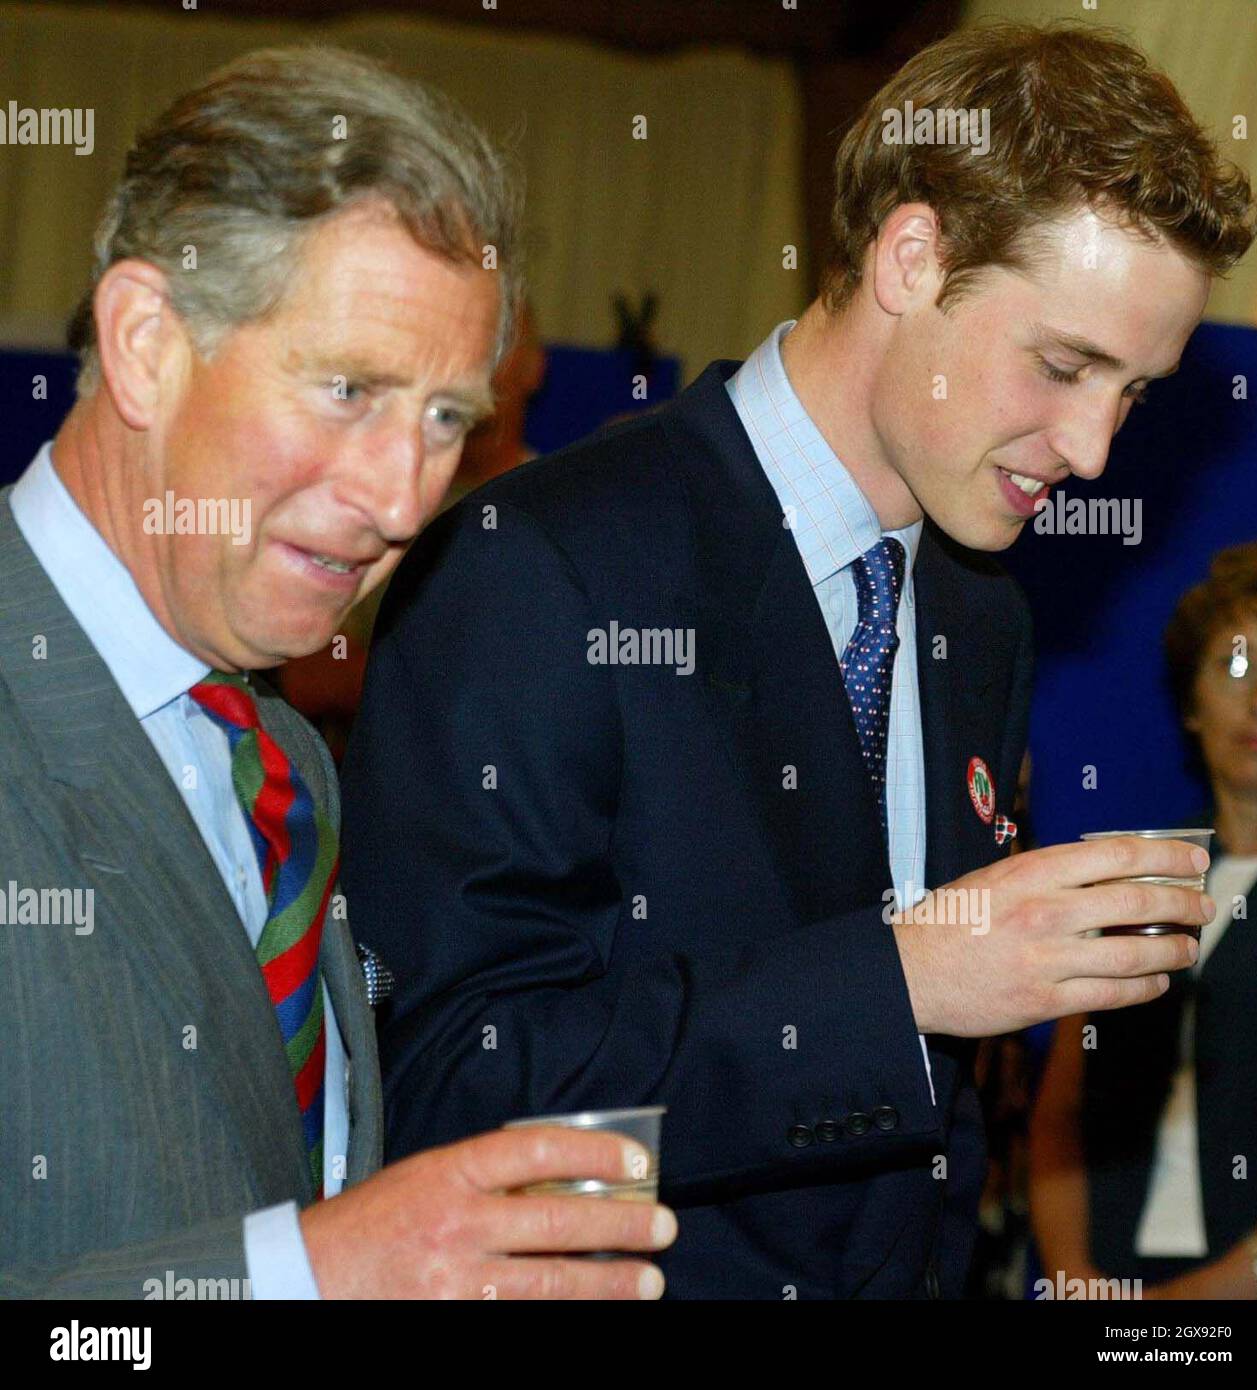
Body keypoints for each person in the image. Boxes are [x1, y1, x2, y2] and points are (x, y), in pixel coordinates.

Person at [341, 23, 1256, 1299]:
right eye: (1062, 365)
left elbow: (924, 1137)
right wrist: (903, 981)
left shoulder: (978, 610)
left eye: (1135, 393)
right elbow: (450, 1082)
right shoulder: (537, 561)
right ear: (910, 254)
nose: (1094, 449)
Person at [0, 46, 675, 1301]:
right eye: (350, 388)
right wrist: (304, 1274)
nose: (402, 498)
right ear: (147, 343)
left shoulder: (282, 756)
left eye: (442, 419)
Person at [1031, 541, 1257, 1298]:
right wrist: (1075, 1282)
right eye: (1237, 669)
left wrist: (1212, 1298)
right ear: (1190, 703)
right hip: (1114, 1282)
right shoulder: (1135, 877)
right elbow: (1060, 1114)